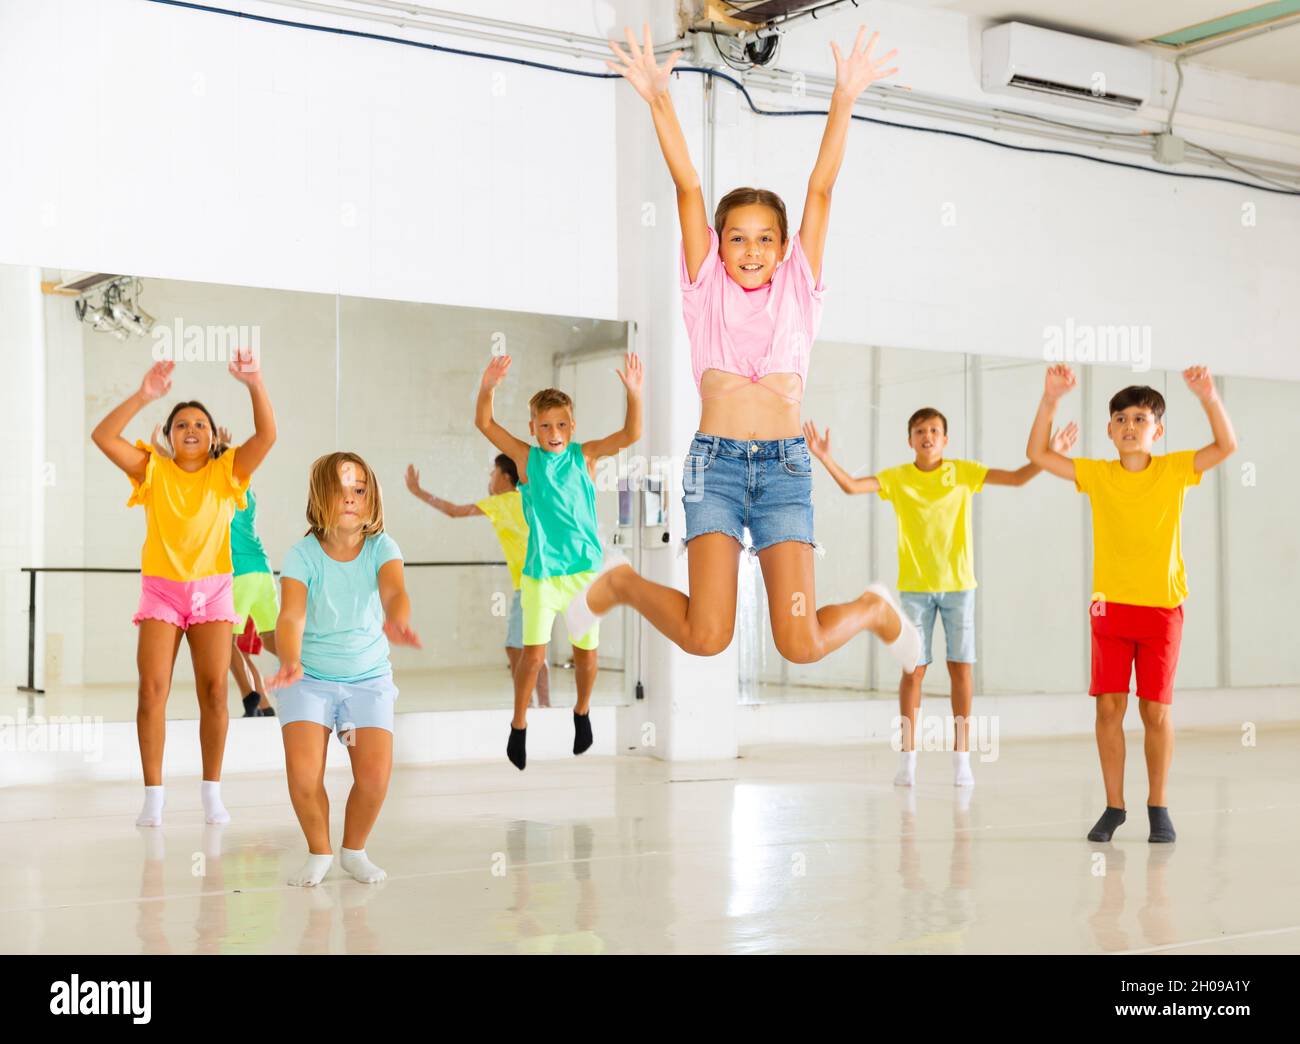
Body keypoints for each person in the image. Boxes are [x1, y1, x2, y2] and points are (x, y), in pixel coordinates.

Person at [563, 23, 919, 677]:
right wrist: (658, 100)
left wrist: (844, 99)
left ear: (784, 249)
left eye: (763, 240)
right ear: (717, 244)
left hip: (784, 473)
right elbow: (688, 187)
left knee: (800, 644)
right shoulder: (704, 290)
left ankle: (872, 607)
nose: (750, 251)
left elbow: (820, 189)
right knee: (706, 637)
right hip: (714, 471)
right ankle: (620, 584)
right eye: (736, 238)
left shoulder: (800, 290)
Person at [804, 410, 1077, 785]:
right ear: (910, 440)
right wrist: (824, 456)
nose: (927, 436)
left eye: (934, 430)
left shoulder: (962, 472)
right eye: (920, 431)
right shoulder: (898, 478)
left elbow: (1015, 478)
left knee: (960, 669)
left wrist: (1050, 455)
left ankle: (962, 759)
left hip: (959, 588)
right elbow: (852, 486)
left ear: (945, 439)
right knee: (913, 670)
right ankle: (908, 760)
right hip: (915, 590)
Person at [1026, 364, 1237, 842]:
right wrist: (1050, 398)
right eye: (1121, 418)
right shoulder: (1097, 475)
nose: (1129, 426)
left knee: (1155, 712)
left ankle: (1158, 806)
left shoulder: (1175, 469)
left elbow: (1227, 447)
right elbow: (1037, 454)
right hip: (1109, 610)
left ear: (1157, 430)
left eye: (1140, 418)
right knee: (1107, 710)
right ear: (1109, 429)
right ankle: (1114, 806)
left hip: (1162, 610)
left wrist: (1208, 397)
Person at [90, 351, 276, 826]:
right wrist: (145, 394)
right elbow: (103, 437)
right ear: (169, 436)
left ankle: (212, 793)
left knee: (215, 691)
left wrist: (254, 383)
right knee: (152, 690)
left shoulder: (228, 471)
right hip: (162, 593)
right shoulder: (152, 470)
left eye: (200, 423)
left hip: (212, 592)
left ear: (213, 436)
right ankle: (154, 796)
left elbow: (268, 435)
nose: (191, 429)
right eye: (181, 424)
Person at [474, 352, 643, 770]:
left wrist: (635, 394)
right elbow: (485, 424)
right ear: (533, 428)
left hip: (586, 574)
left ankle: (582, 712)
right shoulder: (525, 459)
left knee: (587, 656)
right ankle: (519, 725)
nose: (554, 432)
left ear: (572, 426)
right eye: (545, 425)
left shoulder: (585, 455)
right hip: (542, 576)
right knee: (532, 656)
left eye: (562, 424)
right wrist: (488, 388)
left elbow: (630, 433)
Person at [266, 452, 421, 885]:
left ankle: (354, 851)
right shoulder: (302, 554)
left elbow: (394, 592)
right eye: (342, 490)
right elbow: (292, 615)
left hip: (367, 679)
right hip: (309, 679)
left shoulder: (382, 547)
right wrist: (291, 659)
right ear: (321, 496)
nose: (352, 498)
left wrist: (399, 619)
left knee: (373, 777)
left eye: (360, 490)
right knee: (303, 773)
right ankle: (319, 851)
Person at [404, 456, 549, 707]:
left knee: (517, 649)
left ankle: (529, 705)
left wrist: (418, 492)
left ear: (505, 477)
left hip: (531, 586)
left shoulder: (500, 503)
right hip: (541, 583)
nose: (489, 478)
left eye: (493, 472)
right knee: (530, 648)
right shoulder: (524, 498)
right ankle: (540, 705)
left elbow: (454, 511)